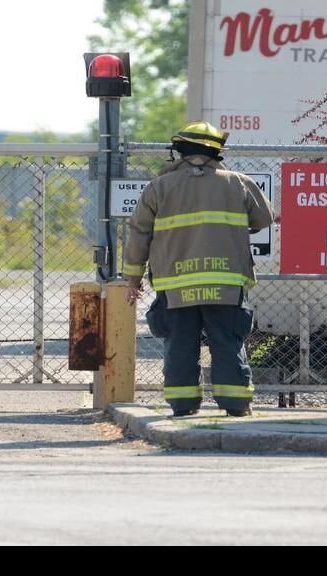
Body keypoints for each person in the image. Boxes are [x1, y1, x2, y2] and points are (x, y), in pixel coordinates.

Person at [123, 122, 275, 417]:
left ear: (180, 150)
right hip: (226, 283)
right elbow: (263, 219)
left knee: (180, 345)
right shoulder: (238, 183)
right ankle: (236, 405)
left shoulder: (158, 187)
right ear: (216, 152)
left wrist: (133, 279)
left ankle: (183, 406)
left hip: (176, 285)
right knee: (227, 343)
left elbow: (139, 234)